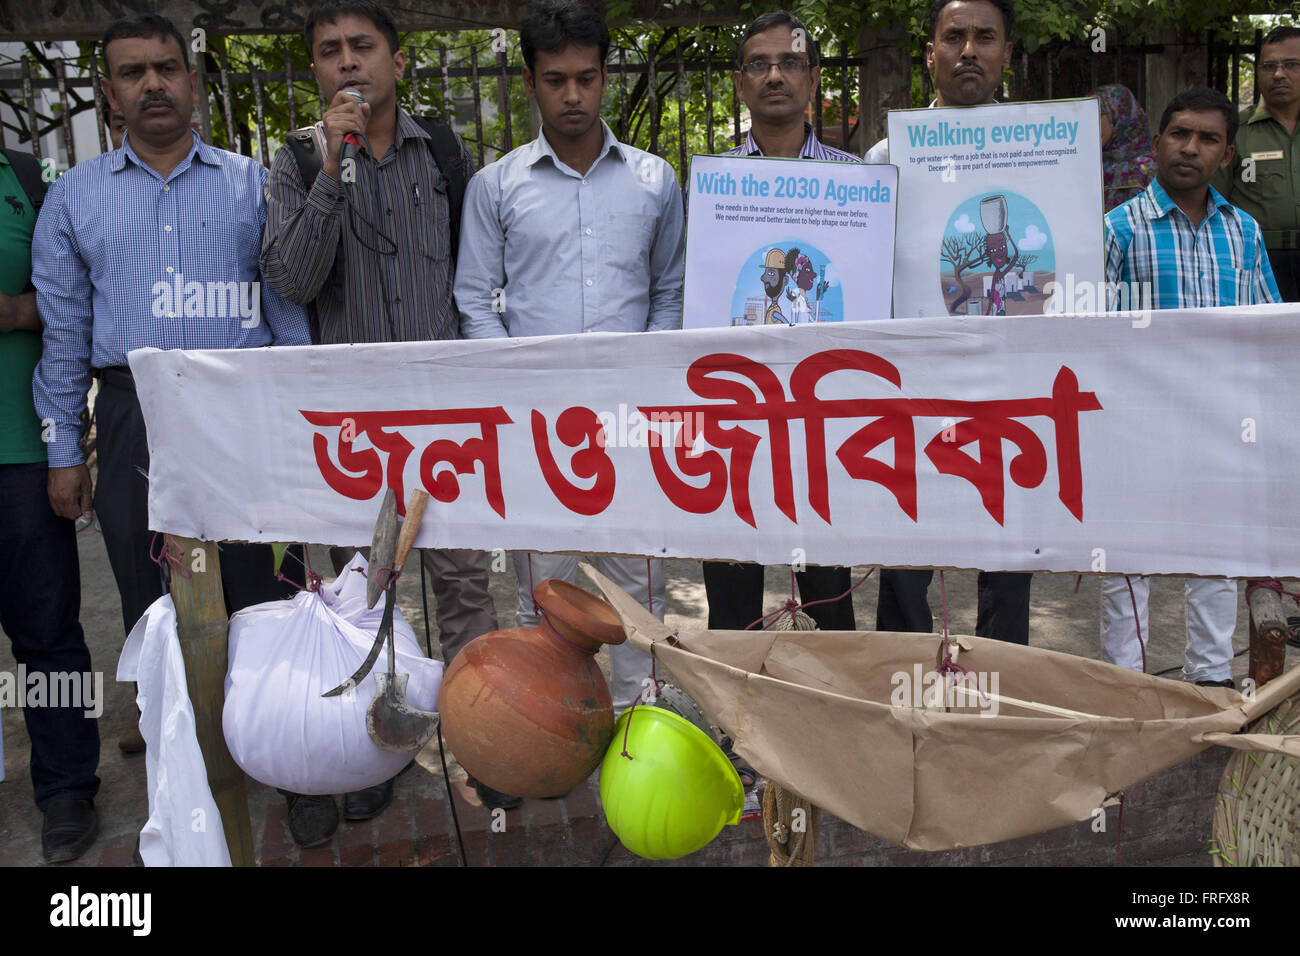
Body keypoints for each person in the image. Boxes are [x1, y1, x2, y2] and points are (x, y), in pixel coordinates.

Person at [31, 10, 311, 827]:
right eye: (131, 72)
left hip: (242, 406)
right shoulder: (75, 198)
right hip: (130, 415)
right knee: (155, 600)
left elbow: (286, 306)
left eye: (166, 68)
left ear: (193, 81)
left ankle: (289, 759)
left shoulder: (254, 182)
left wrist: (296, 417)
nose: (152, 84)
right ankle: (185, 769)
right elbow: (65, 331)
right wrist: (61, 448)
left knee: (270, 588)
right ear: (110, 93)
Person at [261, 0, 502, 834]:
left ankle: (485, 737)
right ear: (317, 72)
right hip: (355, 429)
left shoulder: (442, 150)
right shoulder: (296, 159)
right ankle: (369, 750)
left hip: (445, 414)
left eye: (363, 46)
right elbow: (290, 280)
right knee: (365, 596)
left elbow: (475, 268)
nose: (348, 63)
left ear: (397, 61)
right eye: (330, 52)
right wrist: (334, 167)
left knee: (467, 586)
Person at [454, 0, 684, 752]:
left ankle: (638, 738)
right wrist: (521, 390)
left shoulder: (655, 180)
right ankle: (548, 737)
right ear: (531, 82)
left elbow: (670, 294)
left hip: (630, 420)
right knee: (544, 589)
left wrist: (645, 384)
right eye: (556, 80)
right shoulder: (496, 186)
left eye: (587, 78)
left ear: (606, 76)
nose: (574, 96)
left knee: (635, 586)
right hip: (538, 427)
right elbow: (474, 300)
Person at [865, 0, 1033, 645]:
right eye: (954, 37)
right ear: (930, 52)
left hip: (1011, 375)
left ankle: (1002, 674)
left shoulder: (1043, 154)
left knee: (1009, 540)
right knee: (907, 538)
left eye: (985, 38)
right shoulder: (888, 155)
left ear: (1006, 54)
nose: (969, 51)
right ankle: (902, 672)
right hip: (912, 378)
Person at [1102, 87, 1281, 686]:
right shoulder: (1117, 230)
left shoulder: (1245, 233)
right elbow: (1090, 335)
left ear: (1227, 155)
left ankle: (1210, 684)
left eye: (1208, 139)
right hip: (1135, 423)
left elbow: (1267, 328)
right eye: (1179, 133)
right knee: (1130, 564)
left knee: (1216, 561)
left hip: (1221, 423)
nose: (1190, 148)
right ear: (1156, 143)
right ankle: (1127, 691)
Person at [702, 11, 857, 667]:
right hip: (736, 416)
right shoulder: (709, 185)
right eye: (759, 64)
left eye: (790, 63)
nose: (774, 75)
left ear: (813, 79)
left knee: (829, 597)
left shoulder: (857, 185)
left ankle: (833, 733)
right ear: (740, 82)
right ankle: (736, 738)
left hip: (827, 417)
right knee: (733, 596)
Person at [1, 146, 101, 863]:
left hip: (20, 447)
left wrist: (13, 310)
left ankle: (66, 788)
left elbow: (79, 300)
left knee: (45, 631)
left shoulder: (29, 180)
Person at [1212, 24, 1300, 301]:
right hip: (1260, 260)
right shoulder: (1236, 131)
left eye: (1291, 65)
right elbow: (1215, 202)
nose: (1278, 74)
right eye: (1268, 66)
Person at [1088, 84, 1157, 212]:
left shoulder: (1148, 170)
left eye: (1097, 114)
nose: (1089, 122)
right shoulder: (1081, 165)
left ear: (1119, 115)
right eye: (1085, 114)